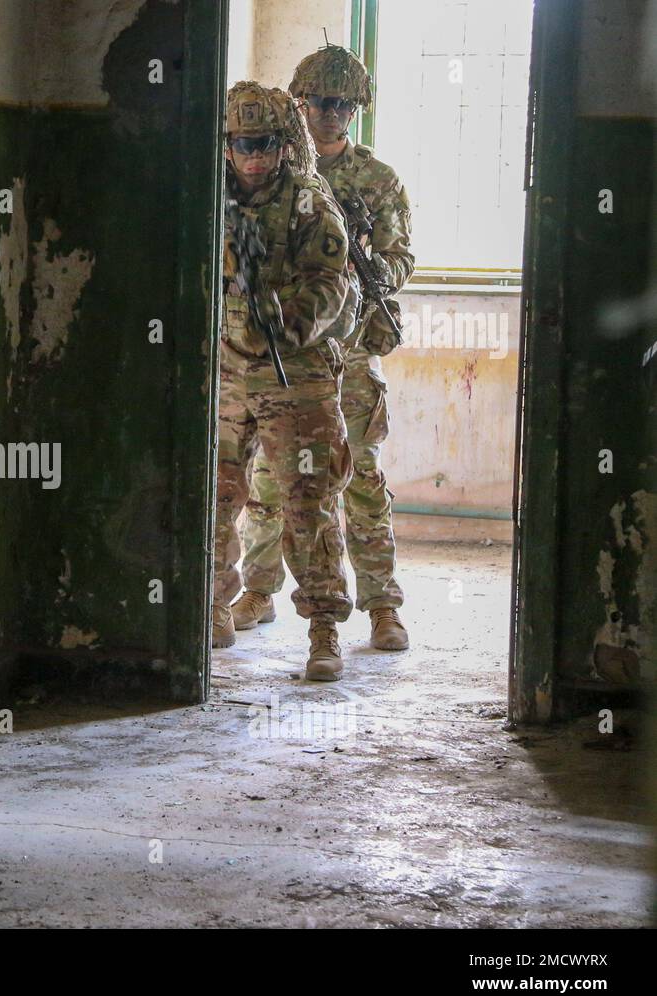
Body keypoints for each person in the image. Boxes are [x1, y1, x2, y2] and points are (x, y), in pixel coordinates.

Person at [232, 46, 415, 652]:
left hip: (350, 349)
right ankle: (258, 589)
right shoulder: (270, 169)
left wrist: (369, 278)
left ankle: (381, 605)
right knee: (266, 476)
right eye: (318, 102)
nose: (329, 114)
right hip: (276, 352)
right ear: (300, 104)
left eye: (342, 104)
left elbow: (399, 258)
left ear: (355, 108)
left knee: (355, 474)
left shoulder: (378, 180)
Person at [216, 82, 354, 680]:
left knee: (307, 502)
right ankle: (211, 606)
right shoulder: (208, 197)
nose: (253, 156)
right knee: (215, 495)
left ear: (283, 144)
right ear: (226, 145)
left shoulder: (309, 202)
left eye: (266, 144)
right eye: (243, 144)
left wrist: (286, 319)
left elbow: (331, 281)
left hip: (292, 369)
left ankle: (324, 627)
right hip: (224, 368)